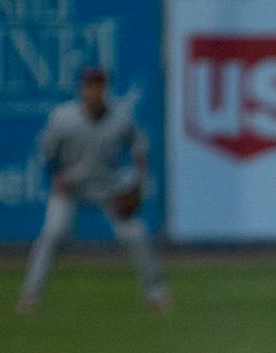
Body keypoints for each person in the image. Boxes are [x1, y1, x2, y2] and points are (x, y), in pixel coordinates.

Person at [17, 67, 168, 314]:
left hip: (108, 187)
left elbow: (140, 146)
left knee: (136, 235)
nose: (93, 91)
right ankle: (30, 296)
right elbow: (46, 153)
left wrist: (138, 183)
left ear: (105, 89)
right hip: (72, 186)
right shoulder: (64, 118)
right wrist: (55, 176)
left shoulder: (120, 118)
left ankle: (155, 294)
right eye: (89, 86)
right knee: (52, 234)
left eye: (98, 86)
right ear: (81, 89)